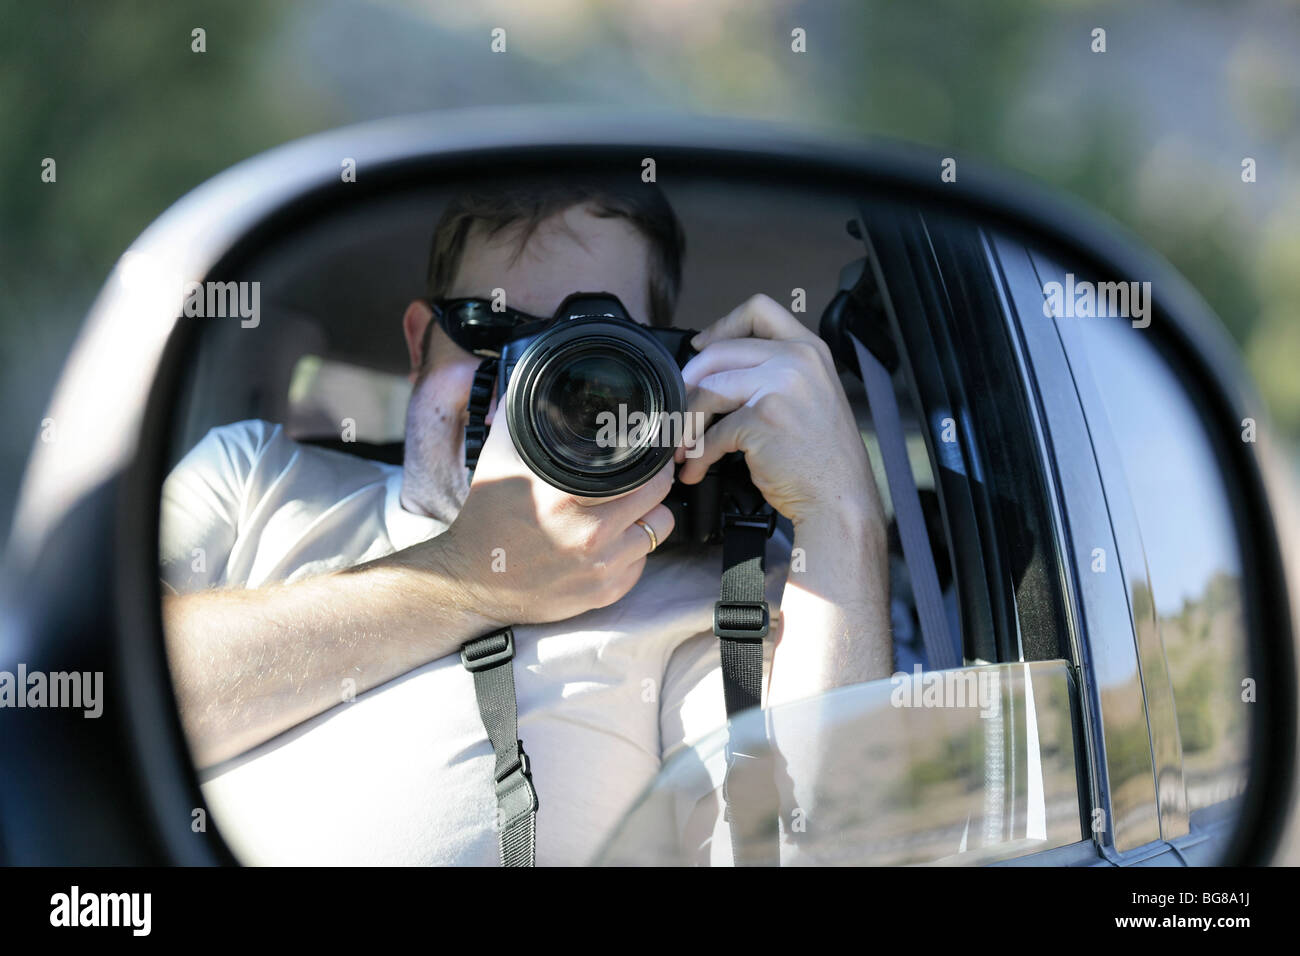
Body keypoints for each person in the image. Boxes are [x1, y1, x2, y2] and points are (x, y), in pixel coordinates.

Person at [159, 177, 891, 865]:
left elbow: (797, 849)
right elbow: (89, 696)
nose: (529, 394)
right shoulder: (257, 476)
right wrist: (467, 579)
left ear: (663, 379)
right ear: (419, 347)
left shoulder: (705, 591)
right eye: (490, 335)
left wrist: (840, 512)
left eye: (589, 360)